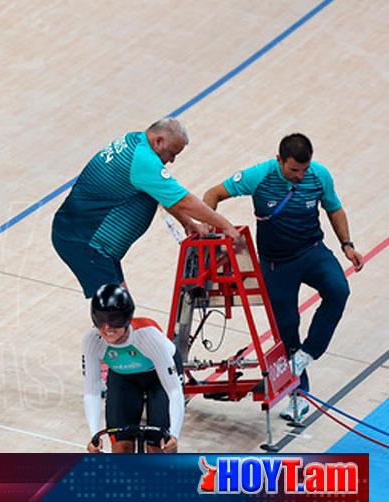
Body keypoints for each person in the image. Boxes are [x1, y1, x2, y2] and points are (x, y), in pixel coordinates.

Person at [203, 133, 363, 420]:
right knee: (287, 329)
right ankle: (299, 395)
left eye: (304, 169)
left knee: (339, 289)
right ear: (279, 160)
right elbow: (212, 195)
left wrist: (347, 245)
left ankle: (307, 354)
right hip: (276, 264)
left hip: (312, 252)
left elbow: (334, 208)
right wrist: (209, 239)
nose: (300, 176)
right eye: (293, 170)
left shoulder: (319, 175)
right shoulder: (259, 176)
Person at [52, 118, 242, 298]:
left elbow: (162, 194)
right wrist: (226, 226)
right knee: (115, 312)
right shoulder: (143, 160)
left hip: (93, 242)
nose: (172, 160)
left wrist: (187, 223)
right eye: (172, 153)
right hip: (84, 242)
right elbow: (184, 201)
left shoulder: (136, 141)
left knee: (120, 310)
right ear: (158, 141)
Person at [82, 284, 183, 453]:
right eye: (100, 320)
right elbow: (91, 391)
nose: (107, 328)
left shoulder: (148, 336)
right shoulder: (92, 340)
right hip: (123, 378)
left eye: (115, 320)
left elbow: (174, 391)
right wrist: (94, 435)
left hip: (158, 379)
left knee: (158, 447)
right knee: (121, 448)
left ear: (127, 319)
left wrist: (174, 434)